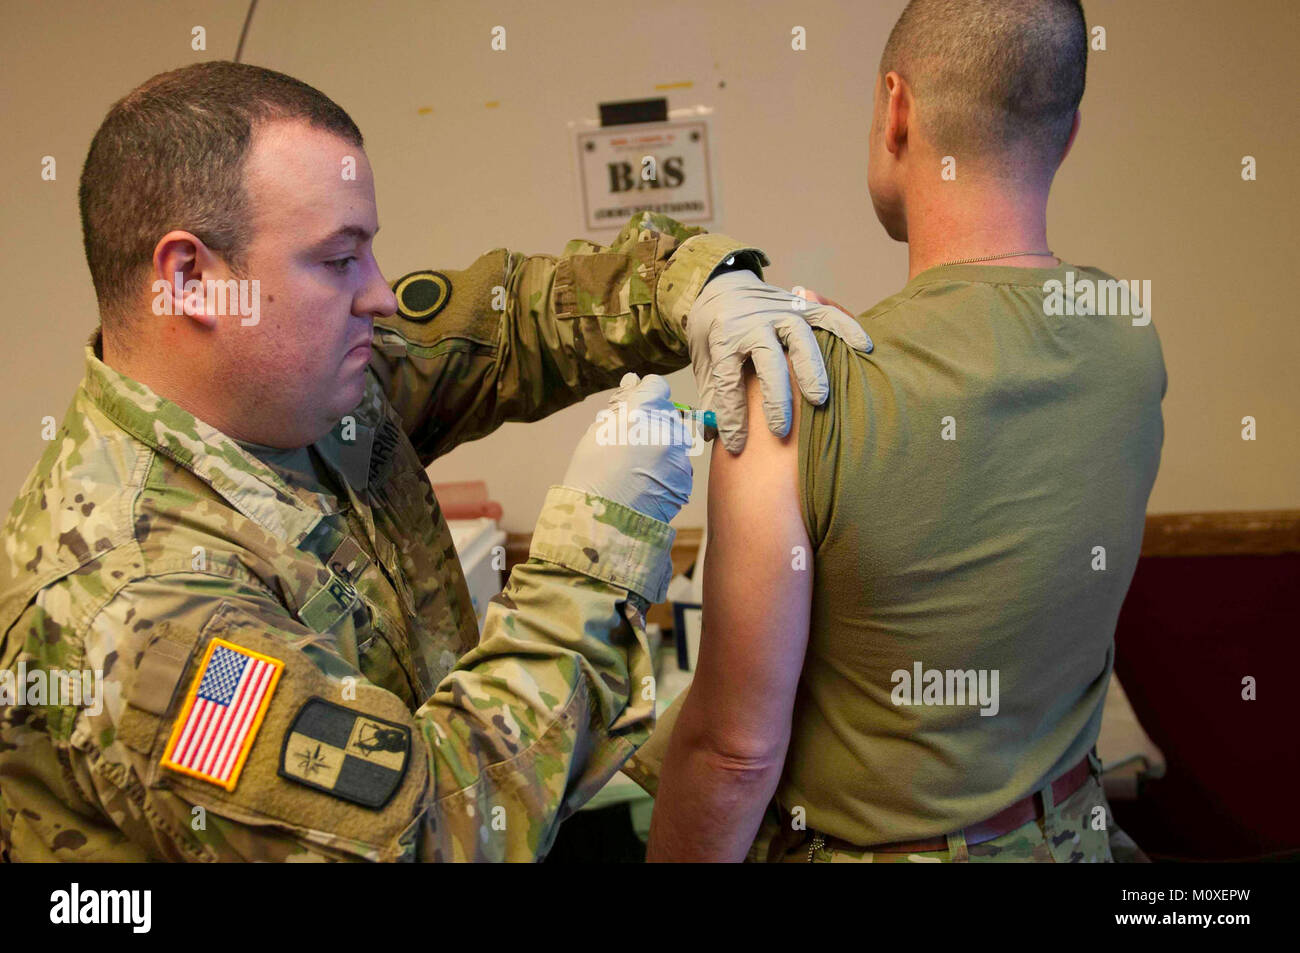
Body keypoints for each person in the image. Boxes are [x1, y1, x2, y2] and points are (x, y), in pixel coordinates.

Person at [0, 61, 870, 861]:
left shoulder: (301, 392)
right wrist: (596, 548)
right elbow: (436, 831)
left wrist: (697, 286)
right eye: (339, 259)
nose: (377, 293)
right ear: (191, 279)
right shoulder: (136, 612)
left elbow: (510, 322)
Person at [639, 0, 1165, 863]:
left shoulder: (794, 389)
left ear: (897, 111)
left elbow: (734, 754)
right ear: (1066, 134)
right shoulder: (1128, 336)